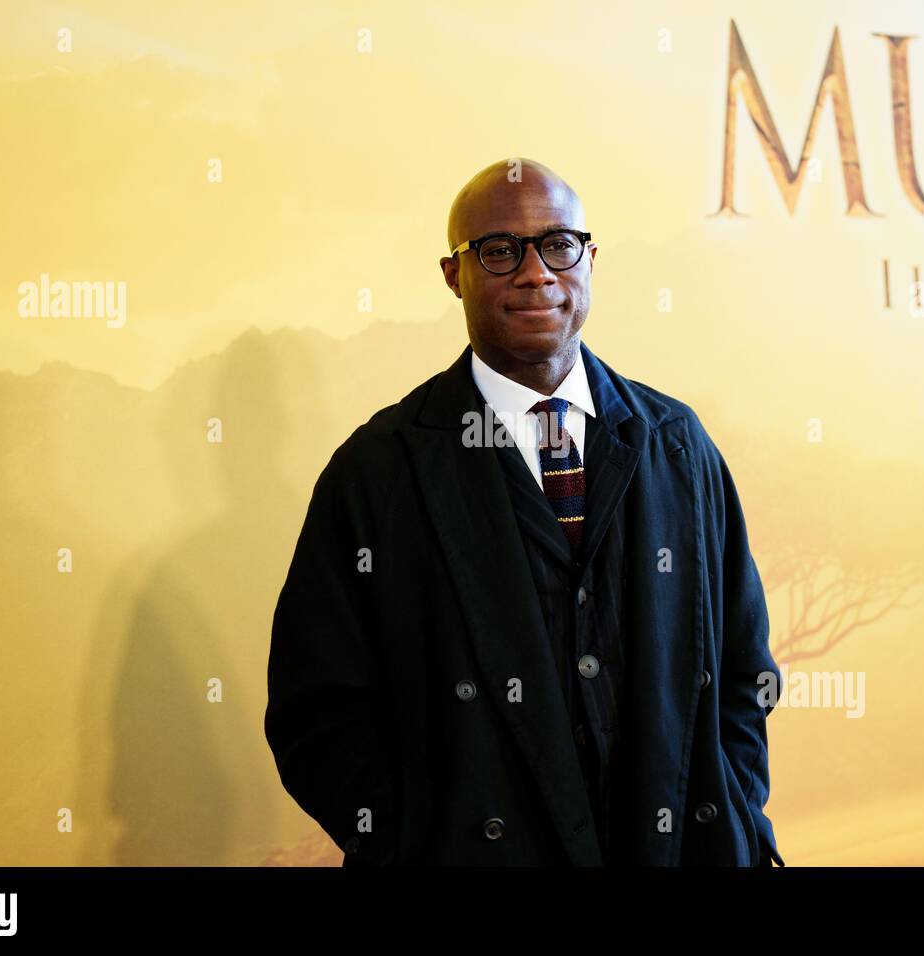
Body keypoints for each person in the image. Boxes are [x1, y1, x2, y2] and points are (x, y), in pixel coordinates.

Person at [264, 157, 785, 866]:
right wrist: (419, 842)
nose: (536, 273)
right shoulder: (377, 471)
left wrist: (731, 802)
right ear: (454, 275)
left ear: (590, 259)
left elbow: (743, 666)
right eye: (500, 251)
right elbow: (316, 713)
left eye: (559, 244)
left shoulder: (677, 444)